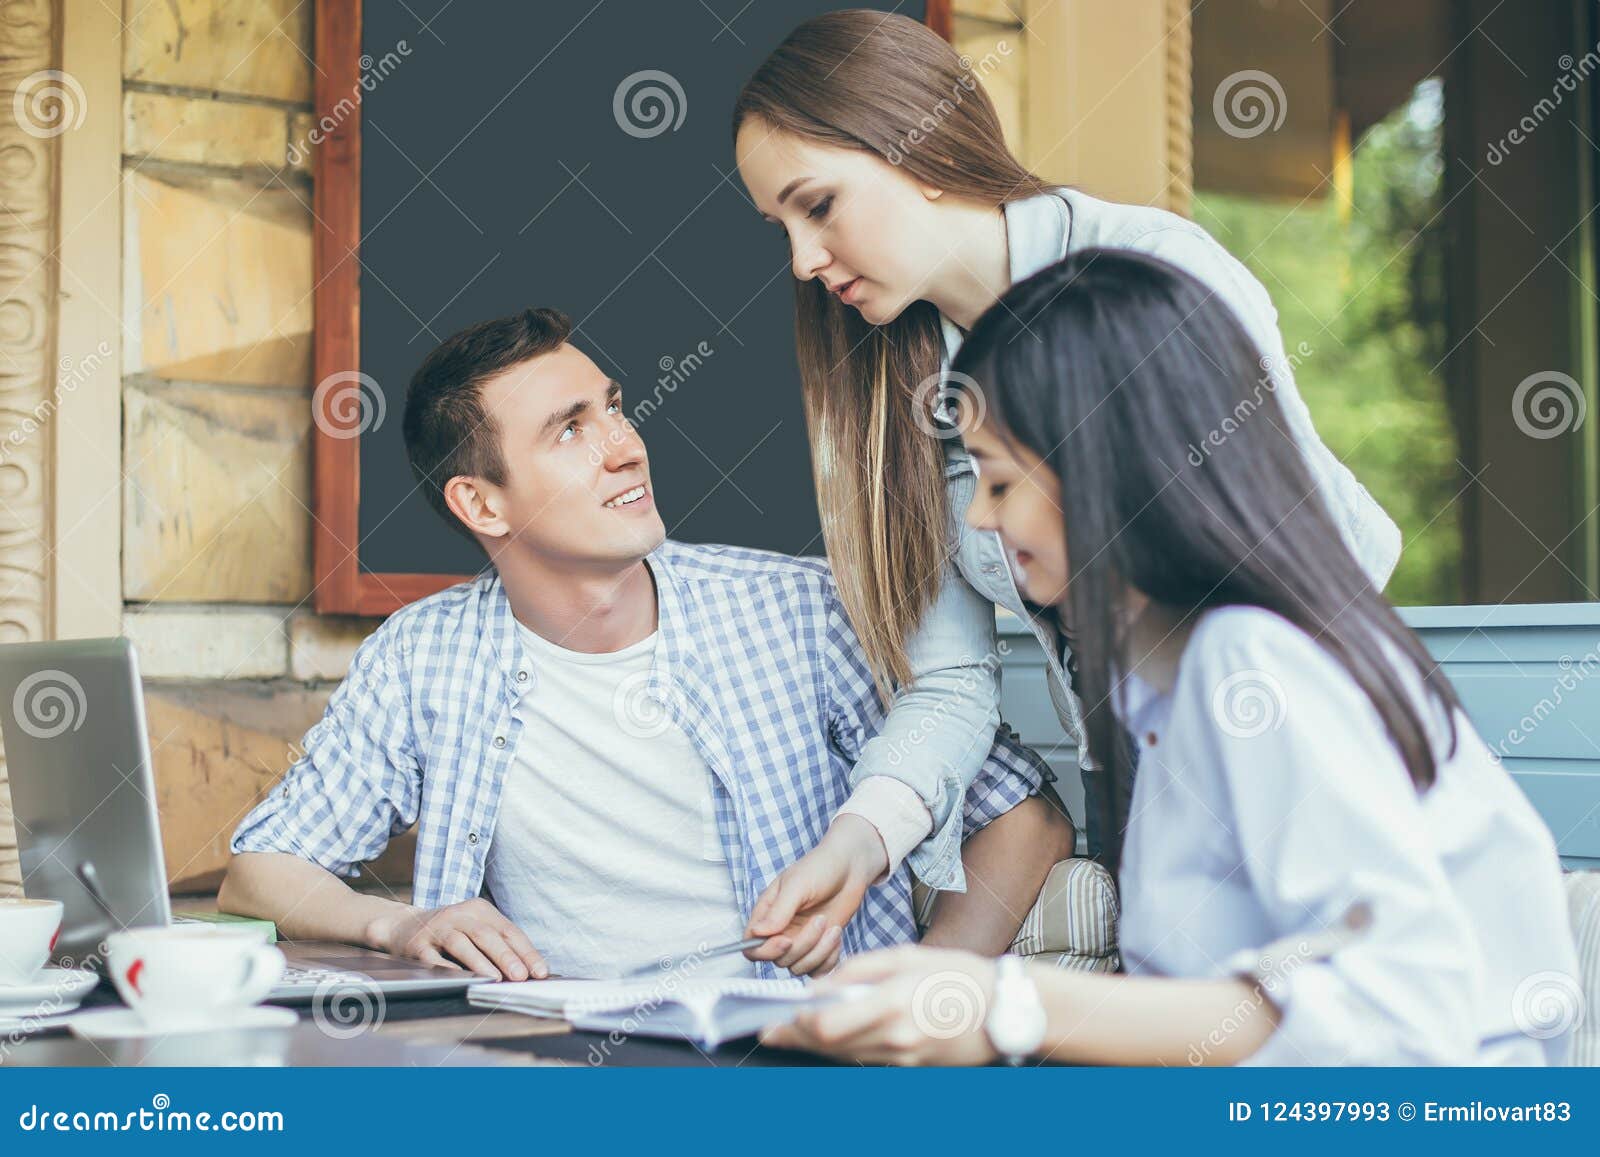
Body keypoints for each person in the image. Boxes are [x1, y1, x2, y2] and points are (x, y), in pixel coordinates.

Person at [761, 250, 1580, 1064]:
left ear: (1112, 473)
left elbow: (1397, 1011)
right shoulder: (1163, 683)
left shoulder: (1253, 661)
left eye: (1001, 481)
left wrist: (1007, 1006)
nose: (977, 517)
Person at [730, 11, 1402, 930]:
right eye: (779, 230)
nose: (805, 262)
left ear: (913, 148)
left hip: (1306, 740)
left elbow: (1299, 568)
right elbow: (950, 684)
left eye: (818, 206)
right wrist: (860, 839)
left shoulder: (1151, 275)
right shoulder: (887, 397)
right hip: (1129, 772)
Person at [219, 306, 1071, 981]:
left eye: (614, 409)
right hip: (548, 1064)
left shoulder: (800, 612)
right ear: (483, 506)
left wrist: (925, 994)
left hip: (798, 1066)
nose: (627, 447)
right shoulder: (420, 657)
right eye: (570, 430)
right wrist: (401, 923)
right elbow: (259, 869)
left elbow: (1026, 820)